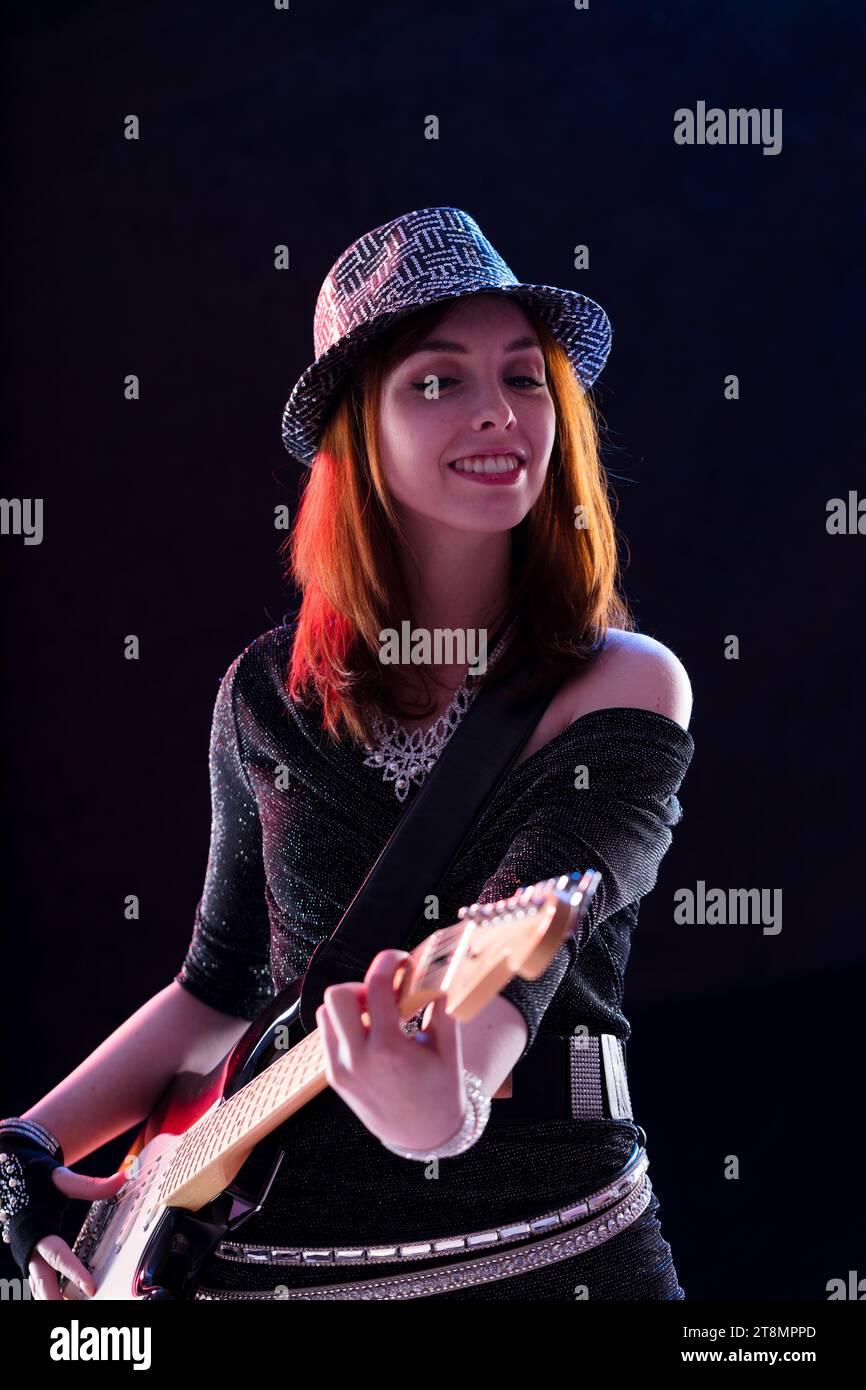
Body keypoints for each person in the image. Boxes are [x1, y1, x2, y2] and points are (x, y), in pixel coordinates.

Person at [3, 207, 695, 1301]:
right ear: (351, 433)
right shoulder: (262, 697)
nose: (497, 413)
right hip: (263, 1271)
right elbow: (219, 985)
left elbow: (530, 937)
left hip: (563, 1259)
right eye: (435, 381)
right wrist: (30, 1147)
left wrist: (453, 1092)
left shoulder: (624, 683)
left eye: (524, 378)